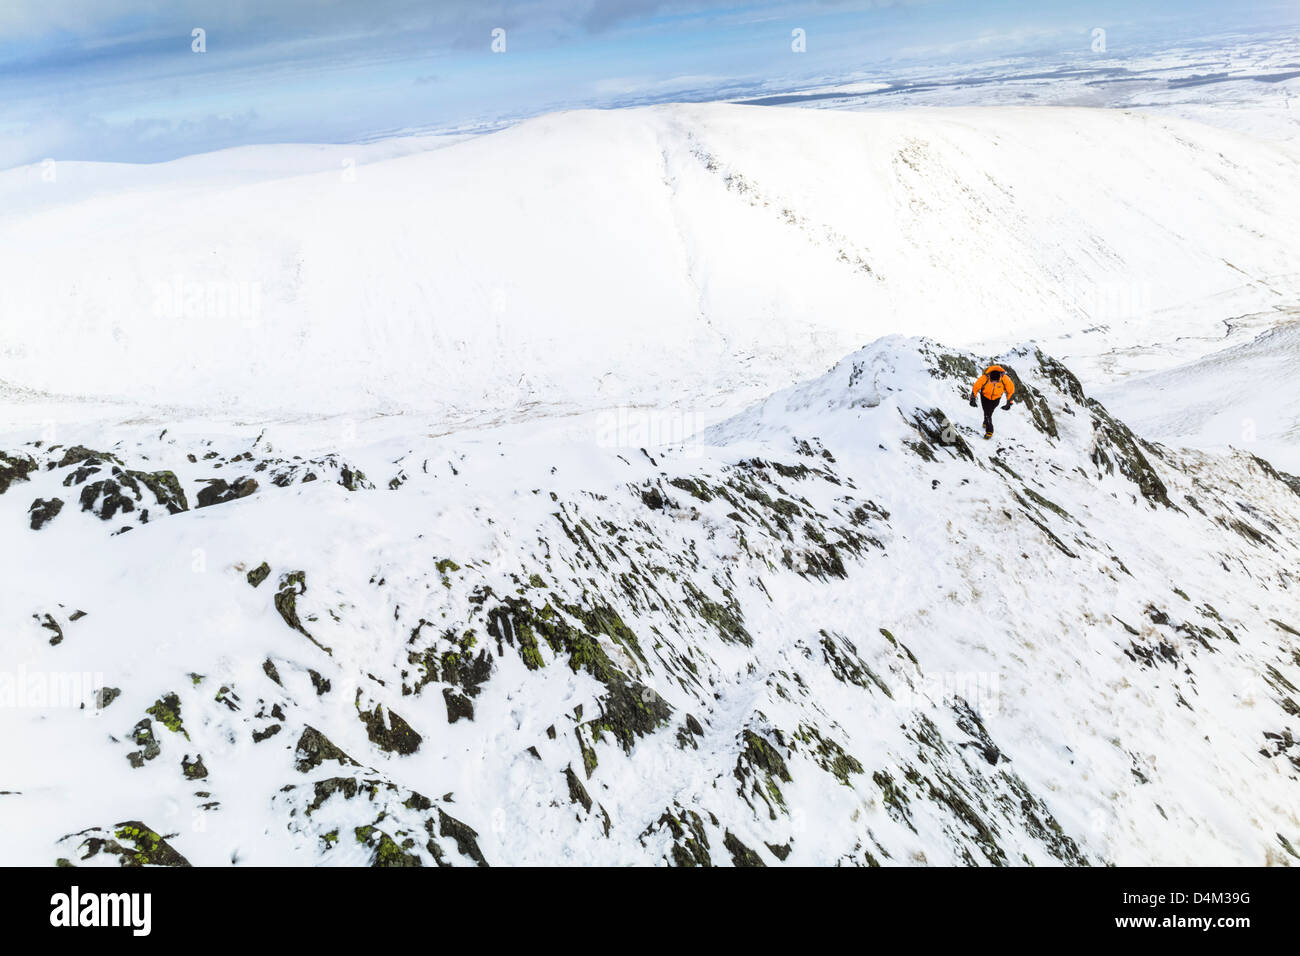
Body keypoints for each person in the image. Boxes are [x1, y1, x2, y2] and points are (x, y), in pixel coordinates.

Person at [969, 365, 1015, 438]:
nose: (994, 383)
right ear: (990, 377)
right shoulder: (984, 378)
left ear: (999, 378)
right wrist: (973, 398)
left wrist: (1009, 403)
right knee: (988, 412)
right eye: (992, 381)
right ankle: (989, 431)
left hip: (997, 398)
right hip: (985, 397)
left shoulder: (1005, 379)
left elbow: (1011, 391)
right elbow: (976, 387)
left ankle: (985, 421)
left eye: (996, 382)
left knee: (989, 411)